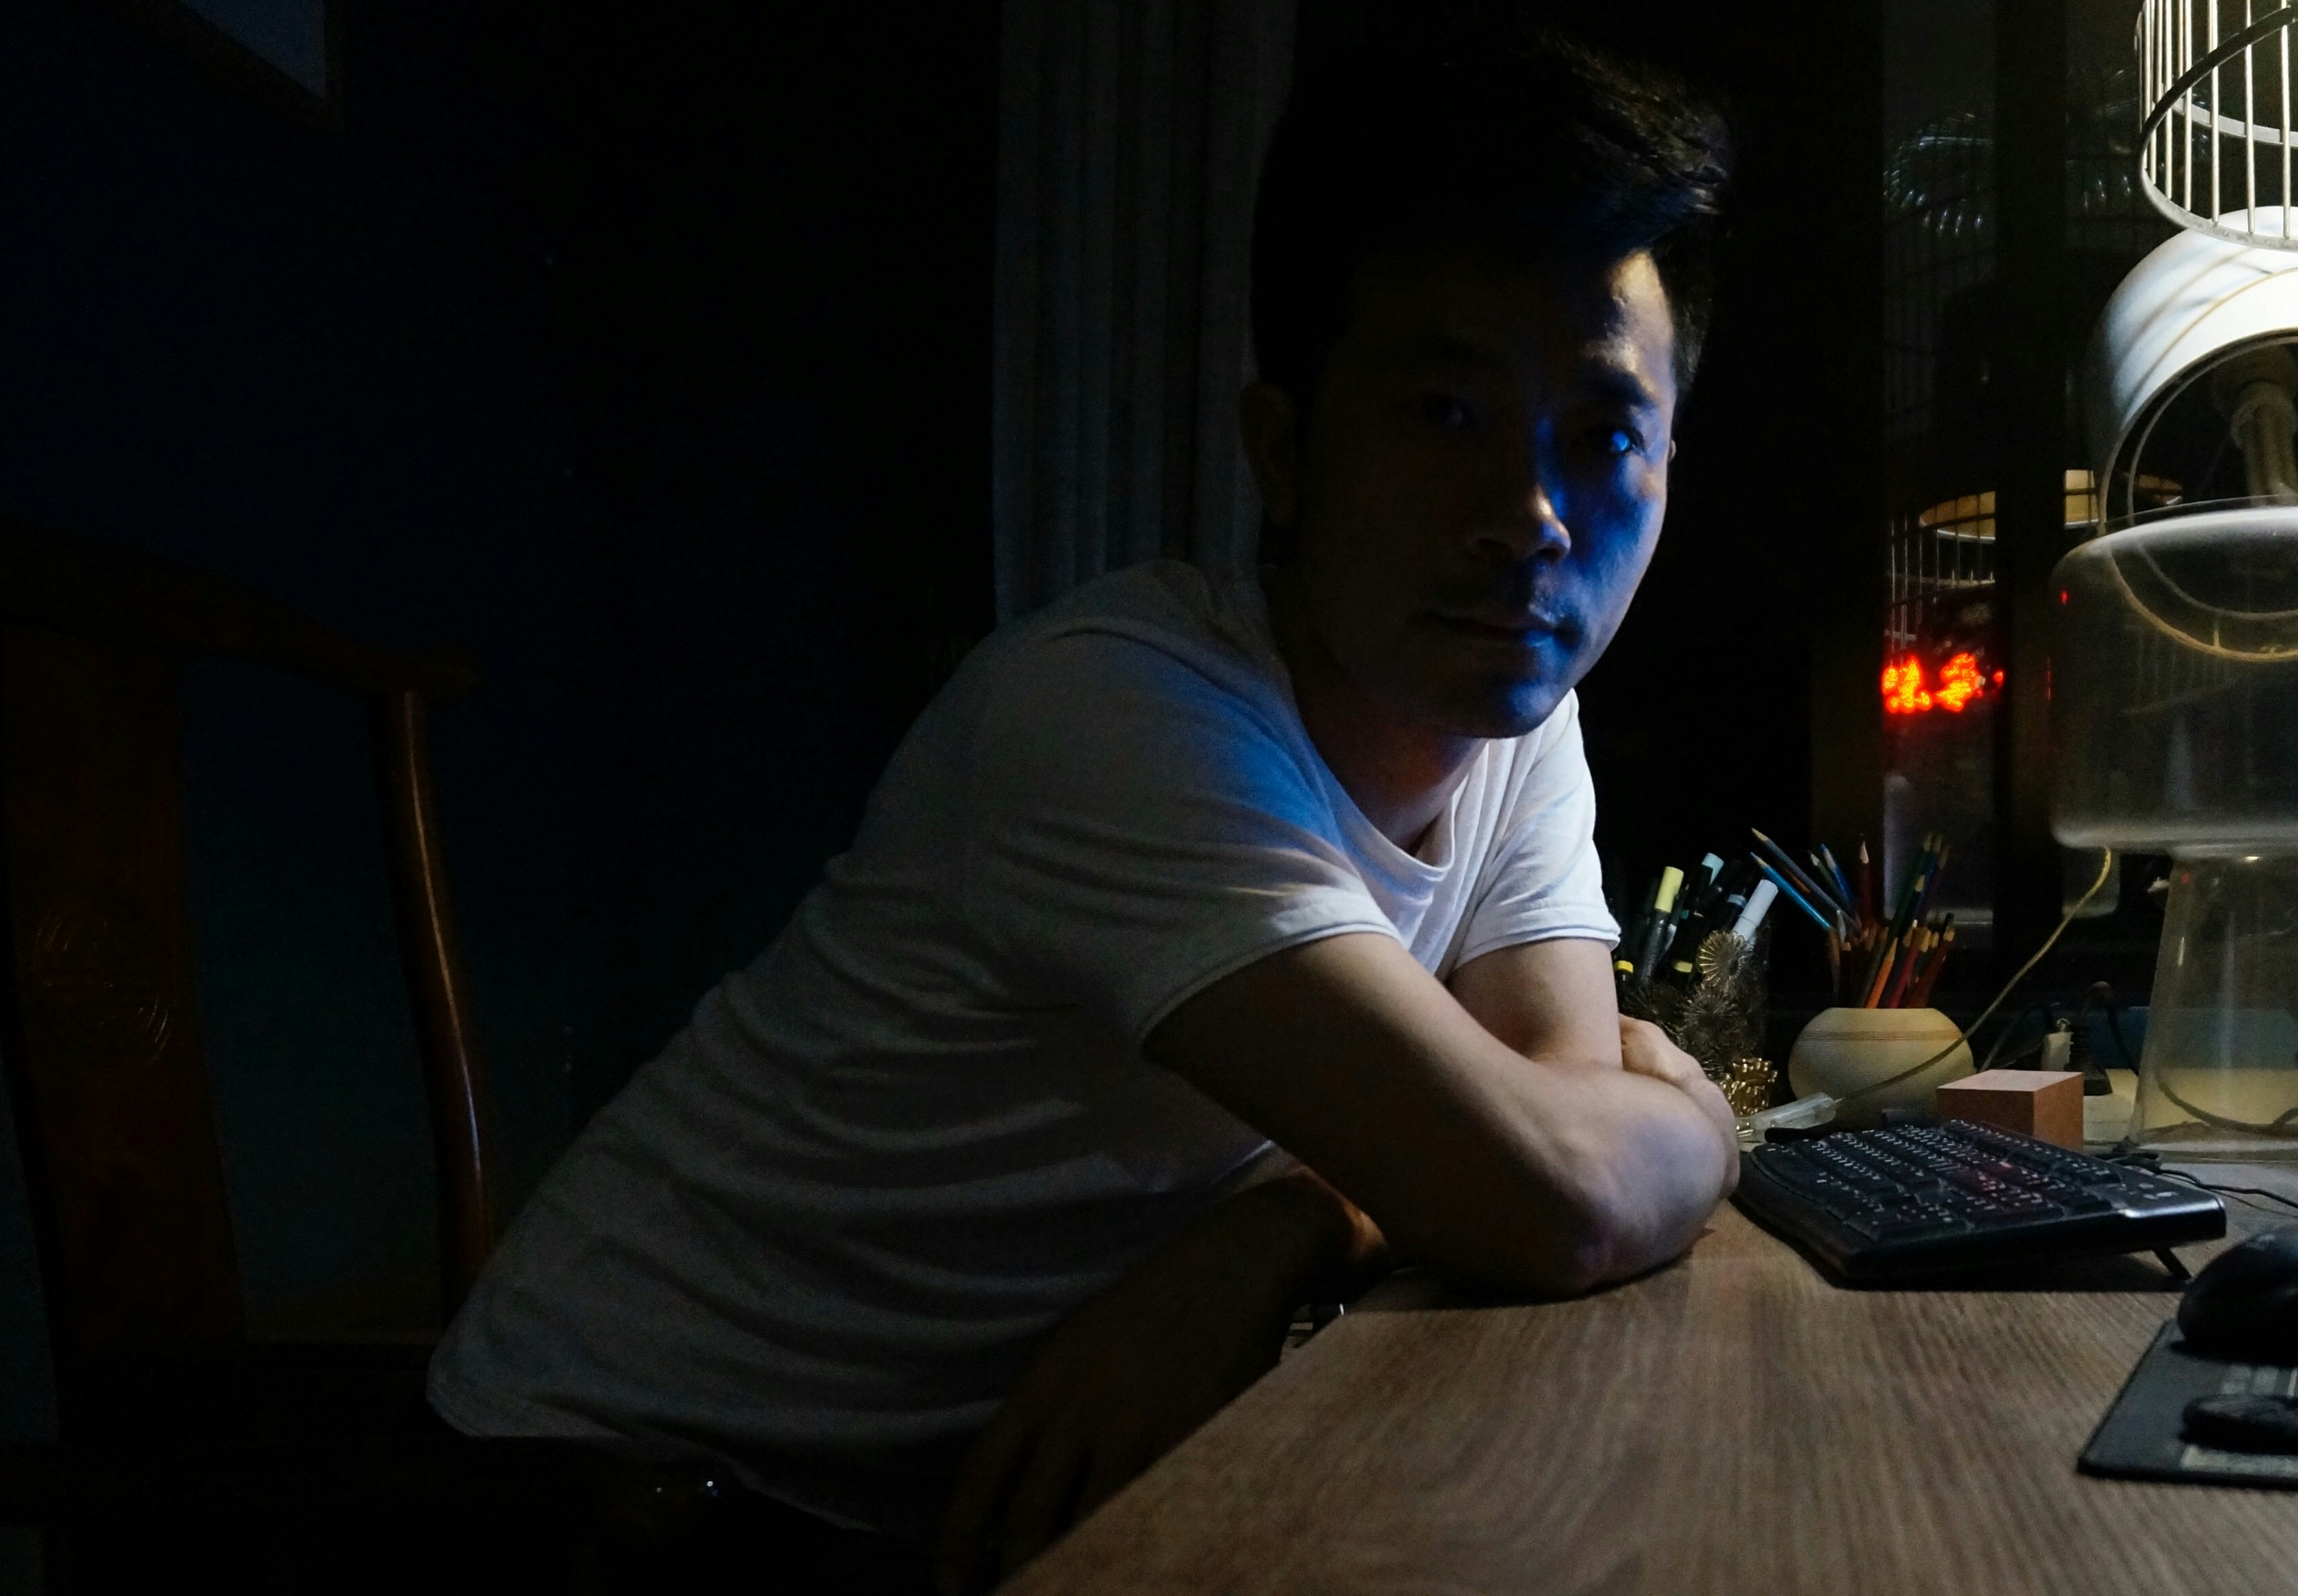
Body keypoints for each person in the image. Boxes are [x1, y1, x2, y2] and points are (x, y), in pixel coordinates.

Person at [424, 20, 1740, 1591]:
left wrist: (1283, 1226)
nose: (1529, 521)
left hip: (942, 1493)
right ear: (1282, 446)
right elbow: (1559, 1184)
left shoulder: (1518, 713)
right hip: (614, 1476)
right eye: (1442, 414)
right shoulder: (1120, 709)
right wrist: (1701, 1113)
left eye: (1601, 437)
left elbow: (1539, 1121)